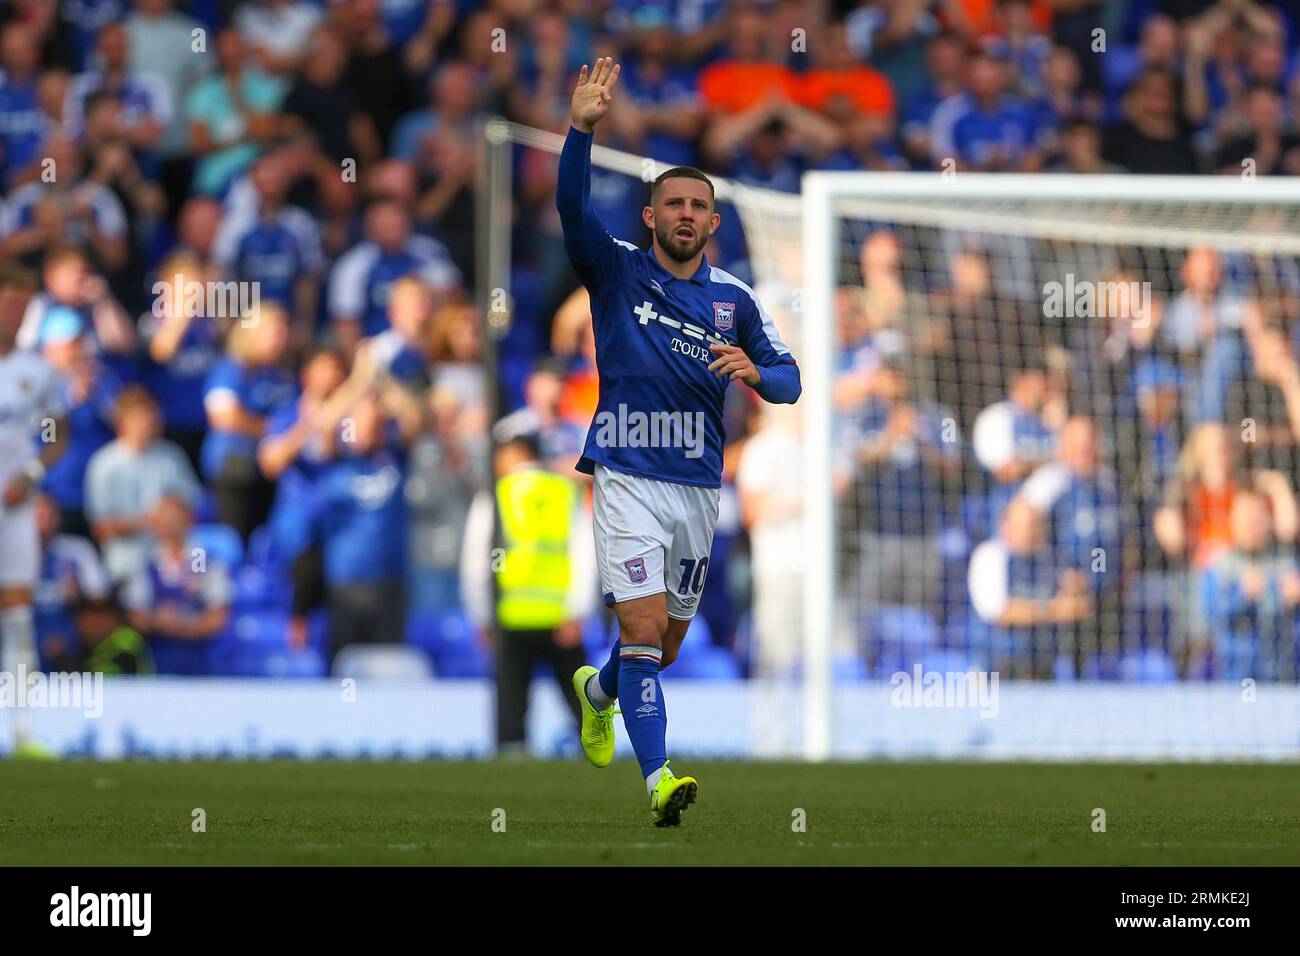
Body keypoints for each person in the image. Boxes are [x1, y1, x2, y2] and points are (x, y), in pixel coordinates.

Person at [560, 59, 801, 826]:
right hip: (628, 470)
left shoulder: (735, 300)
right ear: (652, 218)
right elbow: (570, 213)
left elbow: (793, 379)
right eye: (674, 205)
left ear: (713, 222)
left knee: (659, 649)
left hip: (698, 487)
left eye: (699, 205)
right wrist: (580, 130)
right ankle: (659, 779)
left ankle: (596, 694)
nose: (687, 215)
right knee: (639, 630)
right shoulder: (617, 272)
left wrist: (757, 374)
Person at [460, 434, 597, 755]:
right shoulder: (565, 493)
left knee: (511, 704)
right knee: (580, 702)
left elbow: (477, 563)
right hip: (559, 616)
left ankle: (511, 766)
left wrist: (481, 615)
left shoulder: (495, 496)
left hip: (510, 616)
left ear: (515, 455)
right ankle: (595, 761)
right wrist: (578, 610)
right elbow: (584, 555)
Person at [0, 264, 67, 758]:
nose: (13, 313)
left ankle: (22, 731)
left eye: (21, 306)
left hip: (15, 507)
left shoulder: (38, 374)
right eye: (7, 302)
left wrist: (32, 476)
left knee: (18, 613)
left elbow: (54, 435)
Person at [84, 386, 200, 583]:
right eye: (142, 417)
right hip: (125, 564)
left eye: (153, 416)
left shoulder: (171, 456)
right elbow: (100, 529)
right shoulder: (103, 465)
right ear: (122, 422)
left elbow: (194, 508)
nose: (151, 423)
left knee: (203, 566)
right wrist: (148, 521)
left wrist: (175, 513)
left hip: (171, 561)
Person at [122, 494, 232, 676]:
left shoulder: (206, 562)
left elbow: (219, 617)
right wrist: (159, 621)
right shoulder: (145, 563)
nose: (168, 526)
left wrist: (184, 625)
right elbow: (135, 616)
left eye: (174, 519)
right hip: (155, 660)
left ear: (189, 519)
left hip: (200, 661)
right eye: (162, 520)